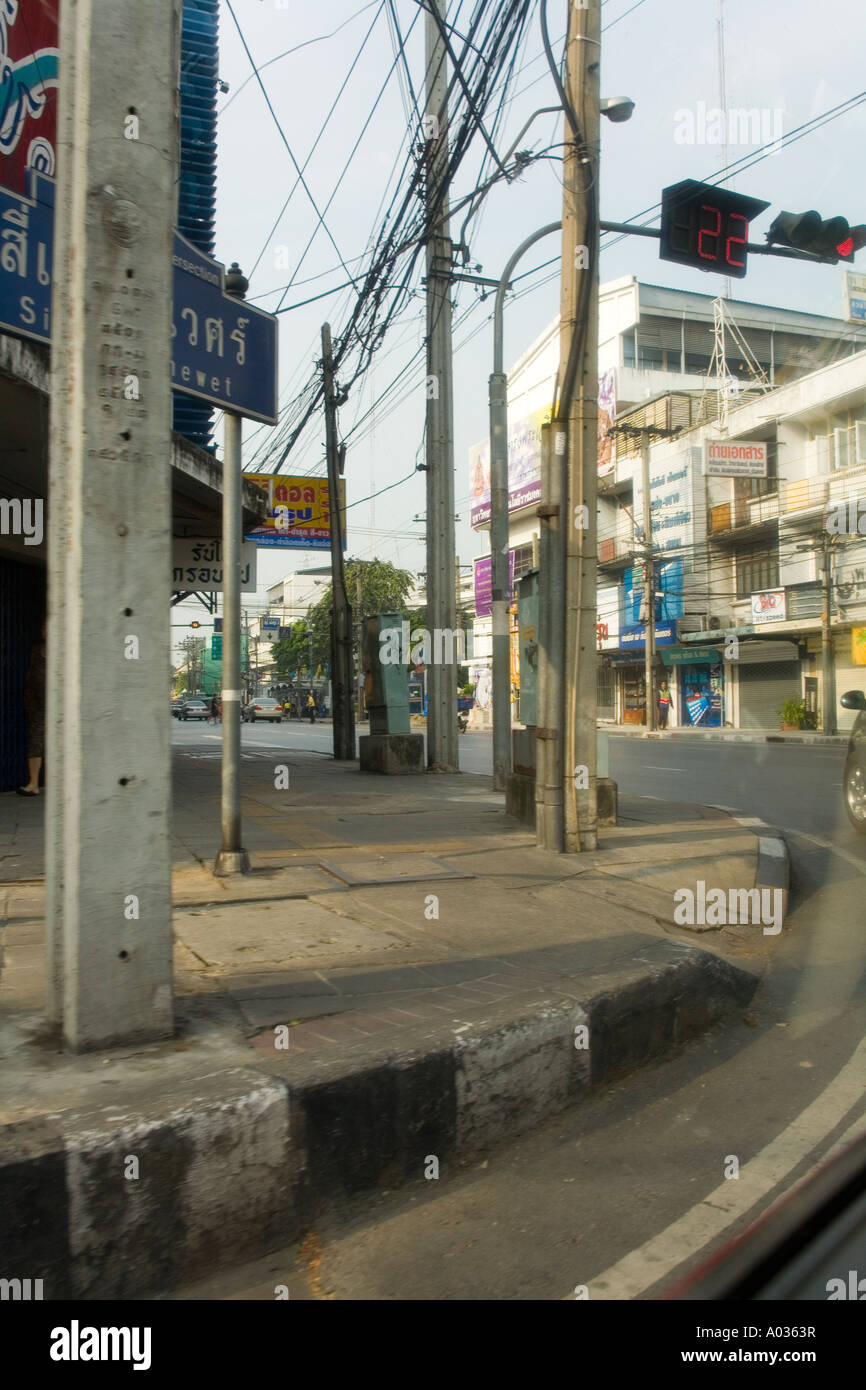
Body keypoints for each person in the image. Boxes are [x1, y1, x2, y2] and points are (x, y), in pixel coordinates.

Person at [18, 618, 46, 795]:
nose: (45, 631)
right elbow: (31, 676)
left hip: (60, 703)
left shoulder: (66, 649)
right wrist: (30, 701)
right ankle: (33, 784)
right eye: (44, 627)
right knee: (35, 741)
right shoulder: (37, 651)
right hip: (38, 704)